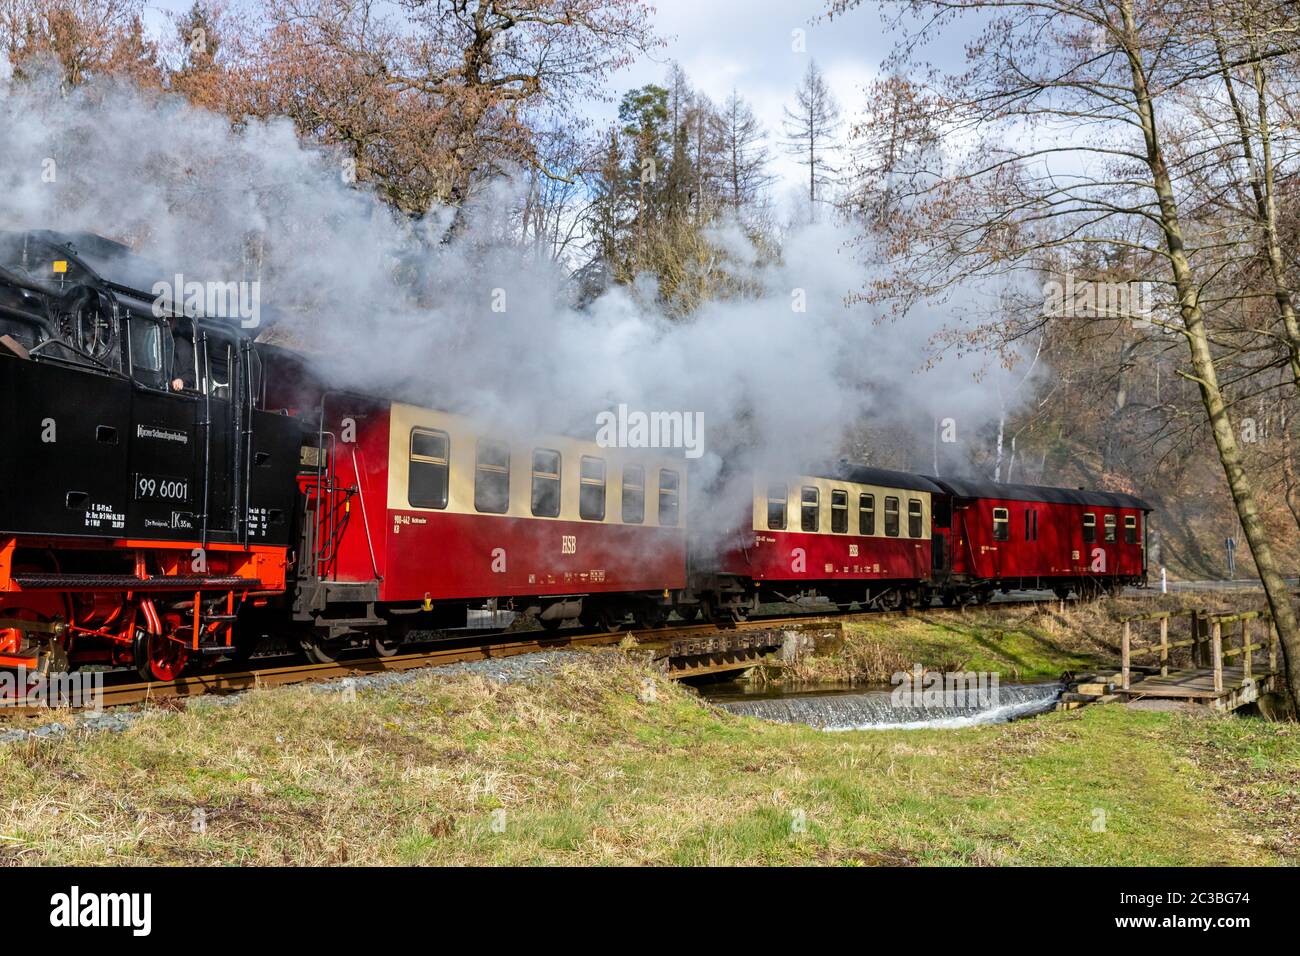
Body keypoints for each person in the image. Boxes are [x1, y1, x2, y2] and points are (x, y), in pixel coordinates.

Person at [169, 317, 196, 392]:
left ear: (174, 323)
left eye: (169, 320)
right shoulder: (150, 340)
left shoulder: (182, 346)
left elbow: (190, 374)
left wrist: (181, 380)